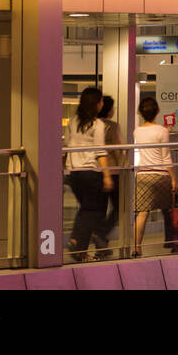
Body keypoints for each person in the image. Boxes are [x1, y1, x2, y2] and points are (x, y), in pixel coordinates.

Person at [65, 87, 113, 263]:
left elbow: (66, 146)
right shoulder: (98, 124)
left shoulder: (73, 121)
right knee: (92, 210)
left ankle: (81, 251)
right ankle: (76, 240)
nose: (102, 104)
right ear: (96, 103)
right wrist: (107, 176)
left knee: (87, 209)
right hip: (90, 172)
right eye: (100, 101)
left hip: (74, 173)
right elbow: (100, 152)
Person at [132, 97, 178, 257]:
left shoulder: (137, 131)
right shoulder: (162, 131)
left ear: (140, 112)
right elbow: (166, 157)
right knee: (169, 209)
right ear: (157, 111)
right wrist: (173, 178)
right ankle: (174, 244)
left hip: (143, 175)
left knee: (142, 213)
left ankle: (137, 247)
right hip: (161, 175)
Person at [92, 94, 123, 259]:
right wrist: (124, 165)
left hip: (95, 171)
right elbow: (118, 149)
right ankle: (102, 235)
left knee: (101, 210)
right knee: (118, 208)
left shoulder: (92, 125)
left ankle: (101, 246)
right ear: (109, 109)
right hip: (112, 171)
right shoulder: (112, 126)